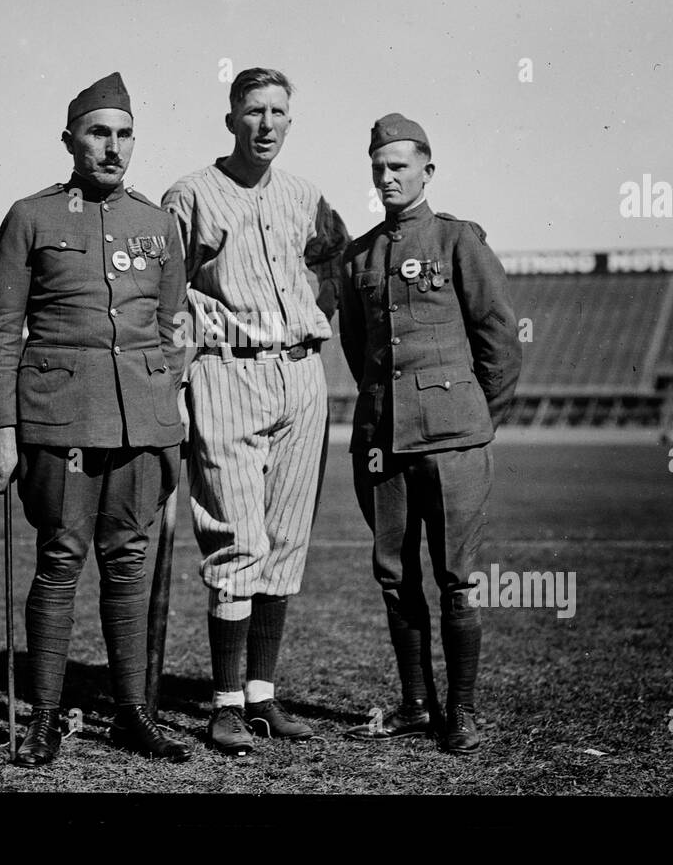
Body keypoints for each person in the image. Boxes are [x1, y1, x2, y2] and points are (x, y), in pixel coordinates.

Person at [0, 72, 192, 768]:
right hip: (60, 420)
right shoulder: (31, 217)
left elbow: (168, 327)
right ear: (70, 138)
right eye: (100, 132)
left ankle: (131, 712)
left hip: (141, 425)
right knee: (62, 560)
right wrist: (3, 430)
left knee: (128, 561)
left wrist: (167, 413)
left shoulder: (157, 224)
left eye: (125, 134)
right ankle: (43, 719)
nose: (114, 147)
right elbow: (2, 329)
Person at [162, 67, 348, 755]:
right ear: (231, 118)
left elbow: (335, 276)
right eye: (252, 111)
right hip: (229, 368)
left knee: (285, 538)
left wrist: (302, 326)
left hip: (301, 372)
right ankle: (225, 703)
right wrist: (179, 380)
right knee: (238, 538)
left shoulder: (308, 197)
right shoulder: (190, 195)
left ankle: (264, 695)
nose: (265, 124)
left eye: (277, 112)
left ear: (290, 121)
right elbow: (166, 296)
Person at [339, 114, 521, 754]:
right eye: (378, 167)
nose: (386, 177)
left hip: (451, 441)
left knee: (457, 578)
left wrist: (473, 420)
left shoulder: (457, 242)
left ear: (427, 171)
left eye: (399, 167)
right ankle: (416, 703)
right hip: (382, 441)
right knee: (394, 573)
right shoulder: (358, 256)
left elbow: (499, 339)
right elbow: (360, 351)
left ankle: (461, 711)